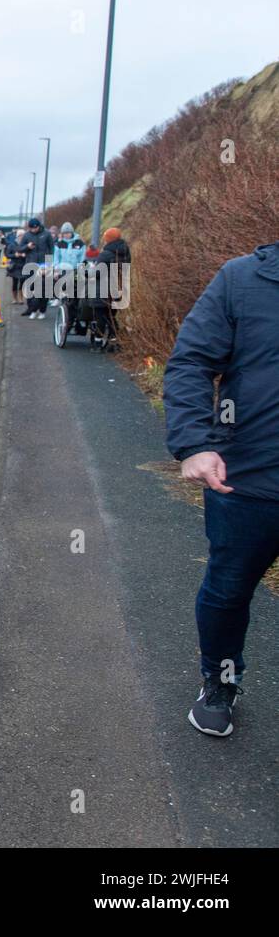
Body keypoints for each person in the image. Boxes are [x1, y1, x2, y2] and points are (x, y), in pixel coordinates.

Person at [162, 237, 279, 738]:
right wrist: (194, 443)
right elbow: (190, 362)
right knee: (229, 590)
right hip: (249, 479)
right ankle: (220, 680)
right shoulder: (242, 279)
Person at [19, 218, 54, 319]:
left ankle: (42, 310)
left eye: (35, 228)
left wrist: (49, 264)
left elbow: (51, 249)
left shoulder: (46, 234)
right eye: (31, 228)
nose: (33, 230)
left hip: (44, 265)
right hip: (31, 264)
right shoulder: (26, 235)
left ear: (39, 226)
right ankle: (31, 310)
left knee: (43, 289)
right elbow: (20, 248)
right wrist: (27, 247)